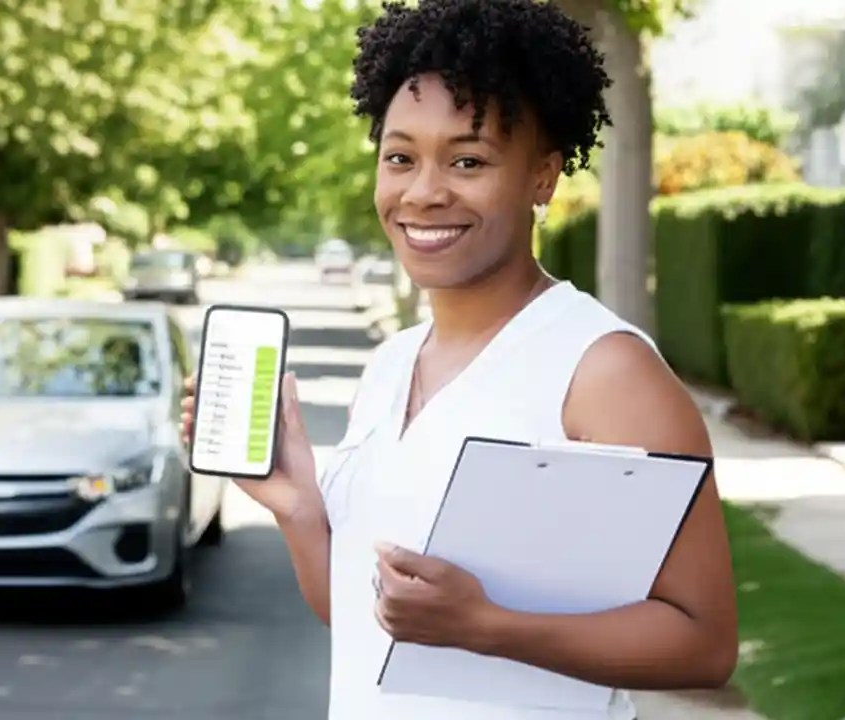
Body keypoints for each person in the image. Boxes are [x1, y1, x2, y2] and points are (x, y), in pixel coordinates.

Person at [181, 0, 738, 717]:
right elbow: (363, 619)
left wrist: (487, 626)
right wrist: (296, 506)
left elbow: (705, 644)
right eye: (400, 158)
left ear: (543, 177)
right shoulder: (389, 366)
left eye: (468, 161)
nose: (423, 192)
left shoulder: (603, 370)